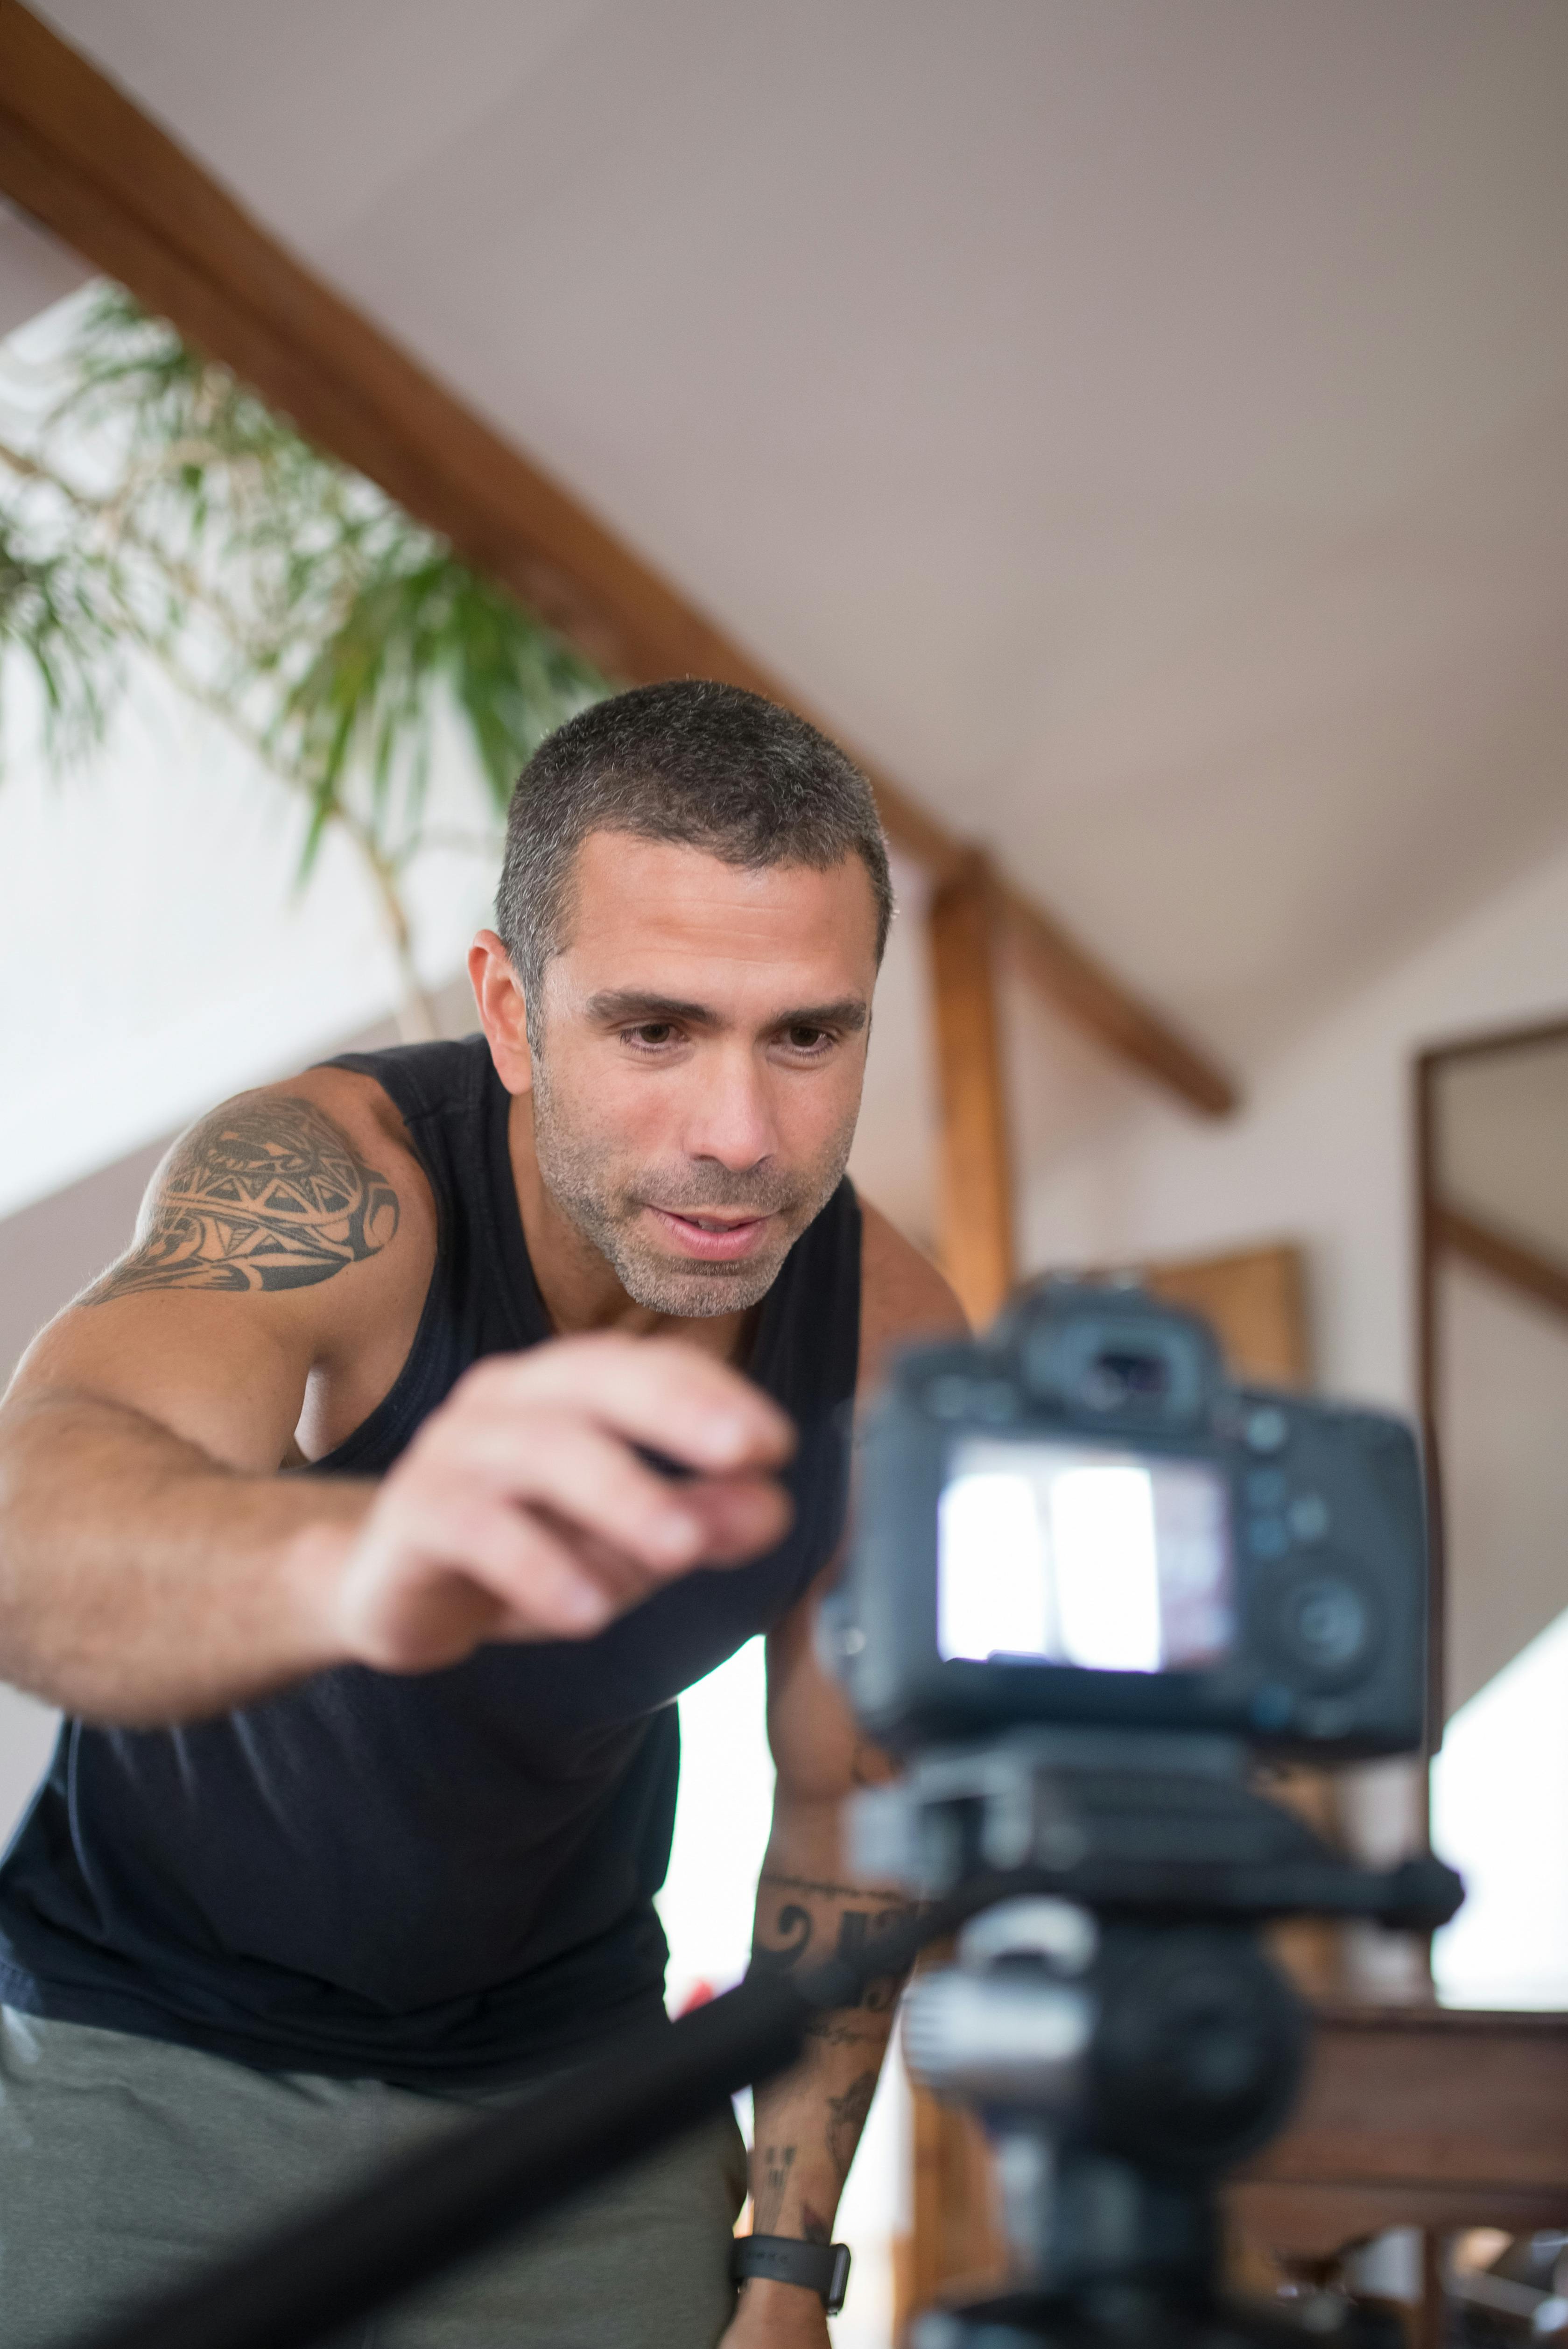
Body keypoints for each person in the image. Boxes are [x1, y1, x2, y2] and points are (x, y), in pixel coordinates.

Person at [0, 680, 964, 2348]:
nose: (740, 1138)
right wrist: (365, 1560)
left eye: (807, 1034)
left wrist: (792, 2270)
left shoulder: (885, 1340)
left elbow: (845, 1824)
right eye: (655, 1030)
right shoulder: (338, 1184)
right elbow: (31, 1533)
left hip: (570, 2078)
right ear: (512, 1014)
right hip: (140, 2037)